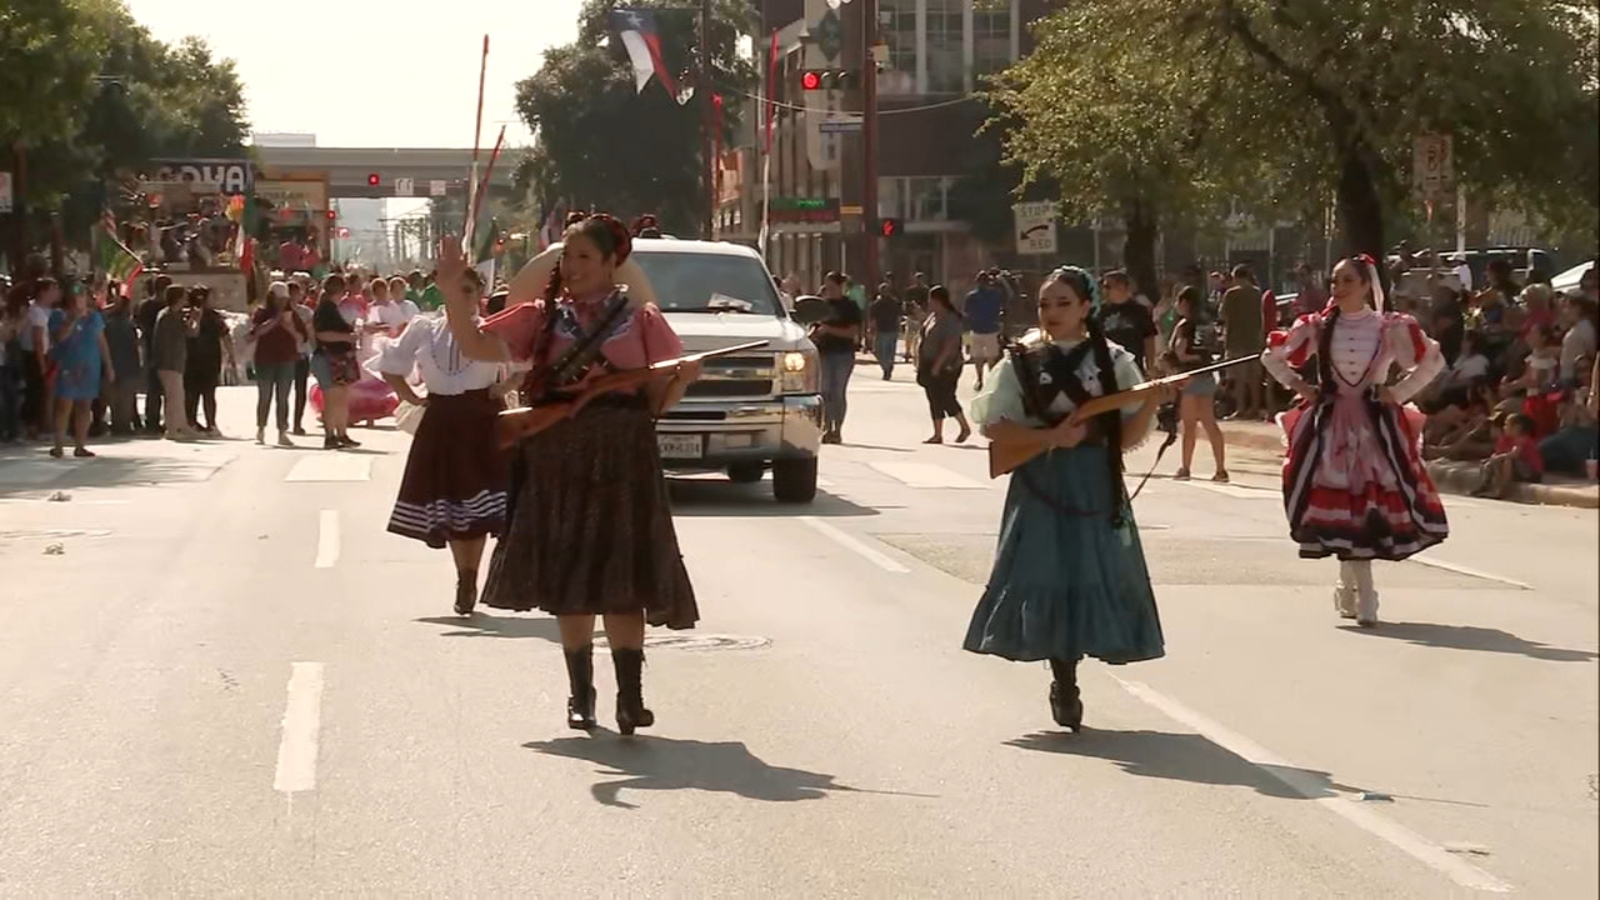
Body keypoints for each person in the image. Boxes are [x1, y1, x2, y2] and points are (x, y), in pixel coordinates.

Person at [436, 214, 702, 735]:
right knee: (570, 580)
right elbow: (475, 345)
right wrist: (451, 295)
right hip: (558, 455)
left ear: (611, 262)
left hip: (625, 455)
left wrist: (681, 379)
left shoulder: (642, 319)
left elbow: (658, 401)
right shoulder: (541, 318)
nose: (573, 267)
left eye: (584, 257)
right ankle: (581, 695)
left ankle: (631, 697)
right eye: (568, 257)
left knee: (624, 581)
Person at [963, 266, 1170, 730]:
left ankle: (1071, 668)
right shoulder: (1021, 359)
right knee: (1046, 572)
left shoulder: (1114, 361)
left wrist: (1152, 401)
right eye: (1045, 304)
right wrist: (1050, 437)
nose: (1052, 312)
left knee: (1091, 573)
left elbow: (1126, 436)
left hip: (1095, 482)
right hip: (1040, 481)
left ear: (1085, 307)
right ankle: (1063, 678)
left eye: (1063, 303)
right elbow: (994, 426)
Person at [1261, 254, 1448, 627]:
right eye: (1335, 280)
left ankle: (1363, 593)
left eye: (1348, 280)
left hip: (1374, 427)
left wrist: (1399, 392)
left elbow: (1432, 361)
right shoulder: (1317, 326)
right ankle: (1352, 587)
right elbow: (1272, 356)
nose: (1339, 287)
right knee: (1339, 507)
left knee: (1366, 507)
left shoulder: (1389, 327)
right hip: (1329, 426)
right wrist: (1301, 387)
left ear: (1366, 285)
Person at [379, 267, 508, 616]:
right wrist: (411, 396)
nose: (462, 298)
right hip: (441, 418)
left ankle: (470, 575)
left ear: (479, 294)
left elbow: (526, 363)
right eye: (456, 290)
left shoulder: (492, 330)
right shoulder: (425, 328)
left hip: (481, 419)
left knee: (475, 503)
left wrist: (503, 387)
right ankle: (463, 575)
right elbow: (392, 364)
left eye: (469, 291)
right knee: (450, 502)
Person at [1168, 286, 1228, 481]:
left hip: (1189, 376)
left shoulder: (1185, 325)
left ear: (1184, 302)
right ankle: (1220, 469)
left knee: (1189, 426)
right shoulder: (1207, 324)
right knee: (1210, 423)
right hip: (1207, 375)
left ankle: (1185, 467)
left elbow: (1181, 353)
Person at [47, 285, 113, 458]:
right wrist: (73, 319)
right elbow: (59, 338)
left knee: (85, 406)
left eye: (82, 296)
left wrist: (108, 365)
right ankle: (59, 445)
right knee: (64, 406)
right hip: (67, 365)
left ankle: (80, 445)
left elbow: (101, 342)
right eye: (76, 296)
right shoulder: (58, 315)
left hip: (90, 365)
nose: (79, 300)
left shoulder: (94, 317)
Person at [251, 281, 310, 446]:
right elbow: (257, 332)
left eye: (285, 299)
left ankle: (282, 431)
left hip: (286, 358)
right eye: (279, 299)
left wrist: (289, 326)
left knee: (283, 397)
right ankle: (261, 428)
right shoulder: (262, 312)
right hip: (265, 359)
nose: (283, 302)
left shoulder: (292, 314)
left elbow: (302, 338)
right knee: (265, 395)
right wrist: (276, 319)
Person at [310, 273, 360, 450]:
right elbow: (322, 334)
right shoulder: (326, 309)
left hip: (338, 359)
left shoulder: (331, 308)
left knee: (341, 398)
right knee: (332, 399)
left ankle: (341, 433)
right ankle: (330, 435)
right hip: (328, 358)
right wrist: (347, 337)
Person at [916, 285, 971, 444]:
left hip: (947, 365)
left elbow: (950, 344)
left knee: (946, 397)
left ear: (938, 300)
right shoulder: (932, 317)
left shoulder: (950, 319)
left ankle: (964, 427)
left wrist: (938, 365)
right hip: (929, 362)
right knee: (933, 397)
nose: (929, 302)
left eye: (931, 299)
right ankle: (937, 434)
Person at [811, 271, 861, 443]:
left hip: (843, 354)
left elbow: (852, 332)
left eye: (832, 287)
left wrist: (829, 329)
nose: (829, 290)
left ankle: (837, 430)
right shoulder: (821, 305)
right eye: (827, 286)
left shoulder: (850, 307)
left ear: (841, 287)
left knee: (838, 392)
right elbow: (814, 327)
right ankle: (826, 427)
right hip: (823, 353)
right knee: (824, 392)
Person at [151, 284, 201, 441]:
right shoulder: (167, 316)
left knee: (178, 396)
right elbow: (169, 340)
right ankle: (171, 429)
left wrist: (195, 319)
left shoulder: (176, 315)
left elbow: (192, 333)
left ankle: (182, 425)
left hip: (177, 362)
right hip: (168, 362)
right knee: (173, 397)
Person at [182, 286, 232, 436]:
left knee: (209, 393)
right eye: (211, 297)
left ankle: (211, 423)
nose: (214, 300)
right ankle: (191, 422)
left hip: (211, 359)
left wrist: (232, 355)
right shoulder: (188, 315)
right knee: (192, 394)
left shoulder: (215, 317)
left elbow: (225, 336)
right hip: (192, 359)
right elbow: (190, 333)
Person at [964, 270, 1006, 390]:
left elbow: (966, 319)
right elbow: (1007, 299)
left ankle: (980, 379)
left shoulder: (971, 296)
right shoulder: (995, 295)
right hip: (991, 330)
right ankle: (989, 380)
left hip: (977, 330)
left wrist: (966, 342)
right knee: (991, 358)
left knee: (978, 358)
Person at [867, 284, 903, 380]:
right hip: (881, 330)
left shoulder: (894, 302)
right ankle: (886, 366)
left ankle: (887, 368)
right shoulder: (877, 304)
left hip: (890, 329)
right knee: (879, 351)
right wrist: (871, 329)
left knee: (888, 351)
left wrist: (899, 328)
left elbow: (898, 316)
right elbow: (872, 318)